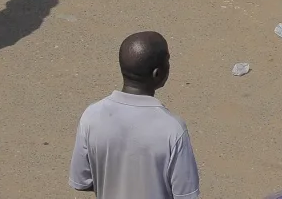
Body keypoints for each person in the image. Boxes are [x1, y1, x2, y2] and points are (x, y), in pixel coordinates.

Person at [71, 31, 200, 199]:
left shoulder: (92, 116)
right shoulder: (172, 129)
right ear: (158, 74)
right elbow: (185, 194)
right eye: (167, 61)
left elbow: (82, 181)